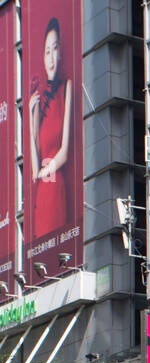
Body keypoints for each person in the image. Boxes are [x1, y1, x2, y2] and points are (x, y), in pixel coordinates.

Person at [28, 17, 73, 239]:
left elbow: (64, 152)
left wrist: (45, 171)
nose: (51, 57)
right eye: (47, 51)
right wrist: (29, 115)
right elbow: (34, 161)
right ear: (42, 57)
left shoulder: (67, 89)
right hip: (42, 196)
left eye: (55, 48)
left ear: (61, 51)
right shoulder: (40, 102)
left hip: (57, 190)